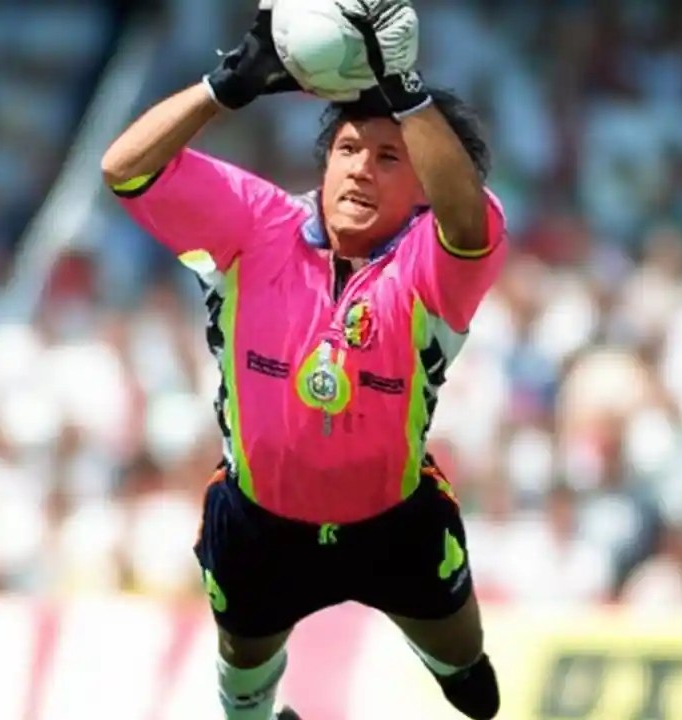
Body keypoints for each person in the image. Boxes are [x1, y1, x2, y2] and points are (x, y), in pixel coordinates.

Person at [101, 4, 504, 719]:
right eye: (348, 149)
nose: (360, 171)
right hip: (260, 526)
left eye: (390, 159)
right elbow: (124, 170)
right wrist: (223, 86)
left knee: (475, 691)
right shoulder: (257, 224)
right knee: (244, 686)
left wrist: (407, 90)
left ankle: (452, 662)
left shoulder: (436, 260)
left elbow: (467, 221)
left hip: (395, 526)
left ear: (423, 192)